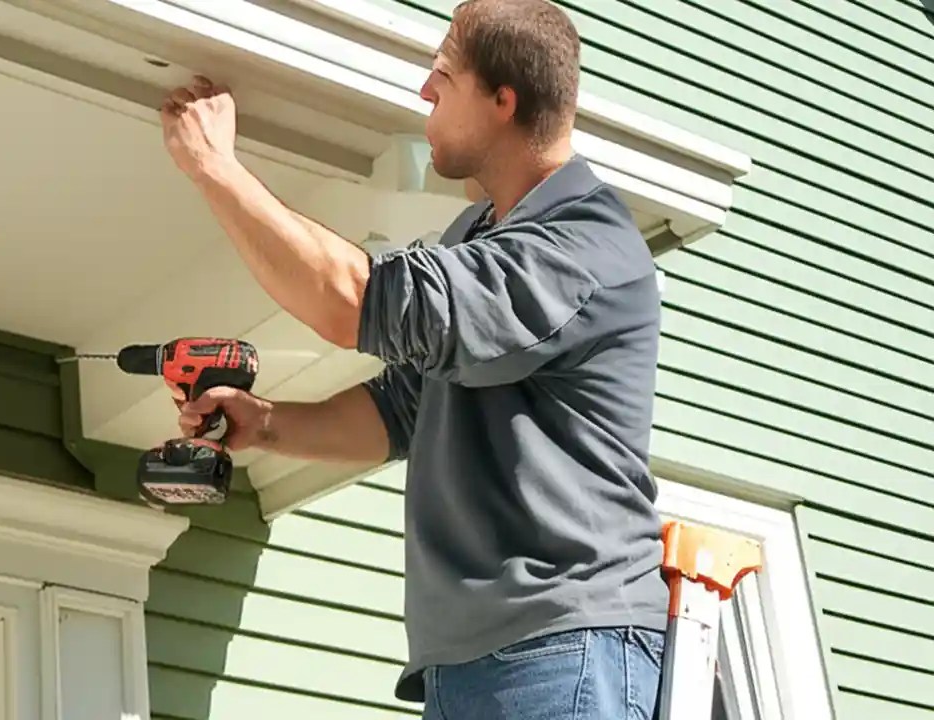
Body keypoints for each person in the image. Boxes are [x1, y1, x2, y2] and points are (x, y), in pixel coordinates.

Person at [156, 0, 669, 717]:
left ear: (502, 100)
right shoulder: (480, 235)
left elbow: (353, 301)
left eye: (443, 75)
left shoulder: (582, 246)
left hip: (558, 642)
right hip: (473, 659)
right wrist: (265, 424)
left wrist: (216, 168)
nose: (425, 91)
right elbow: (402, 410)